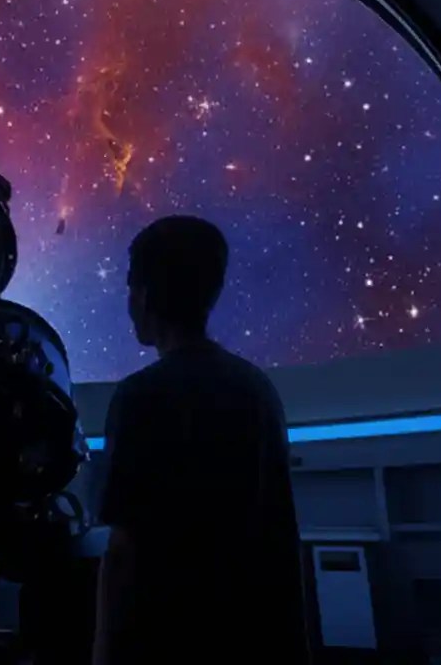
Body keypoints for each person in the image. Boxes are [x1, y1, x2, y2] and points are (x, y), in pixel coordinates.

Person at [92, 216, 309, 664]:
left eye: (130, 289)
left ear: (145, 295)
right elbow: (278, 537)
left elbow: (124, 552)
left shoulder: (139, 396)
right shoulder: (258, 389)